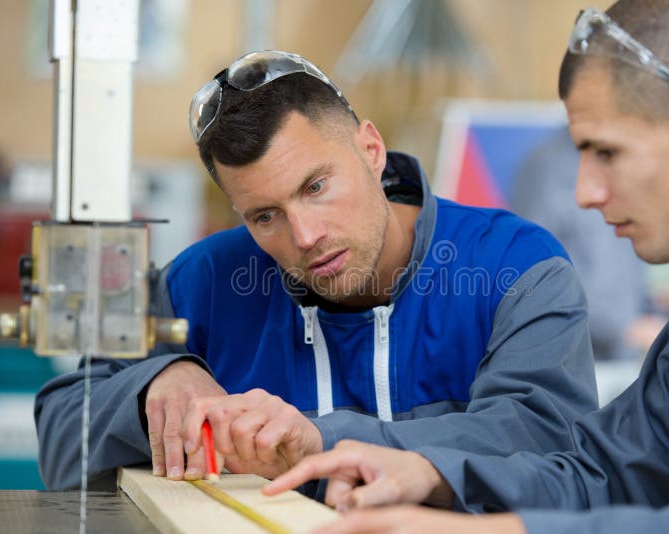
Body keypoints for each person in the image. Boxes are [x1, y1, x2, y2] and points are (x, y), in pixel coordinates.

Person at [263, 1, 669, 532]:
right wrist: (432, 472)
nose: (584, 193)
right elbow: (601, 472)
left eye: (605, 152)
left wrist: (487, 530)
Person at [34, 51, 597, 490]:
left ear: (371, 149)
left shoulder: (515, 267)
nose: (305, 237)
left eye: (316, 187)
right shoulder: (203, 282)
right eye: (265, 215)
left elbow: (551, 443)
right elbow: (61, 434)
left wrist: (318, 442)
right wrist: (152, 383)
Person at [511, 127, 664, 361]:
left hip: (626, 361)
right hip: (570, 362)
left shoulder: (627, 155)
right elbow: (530, 276)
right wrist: (621, 329)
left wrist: (651, 316)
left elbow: (626, 267)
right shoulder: (546, 165)